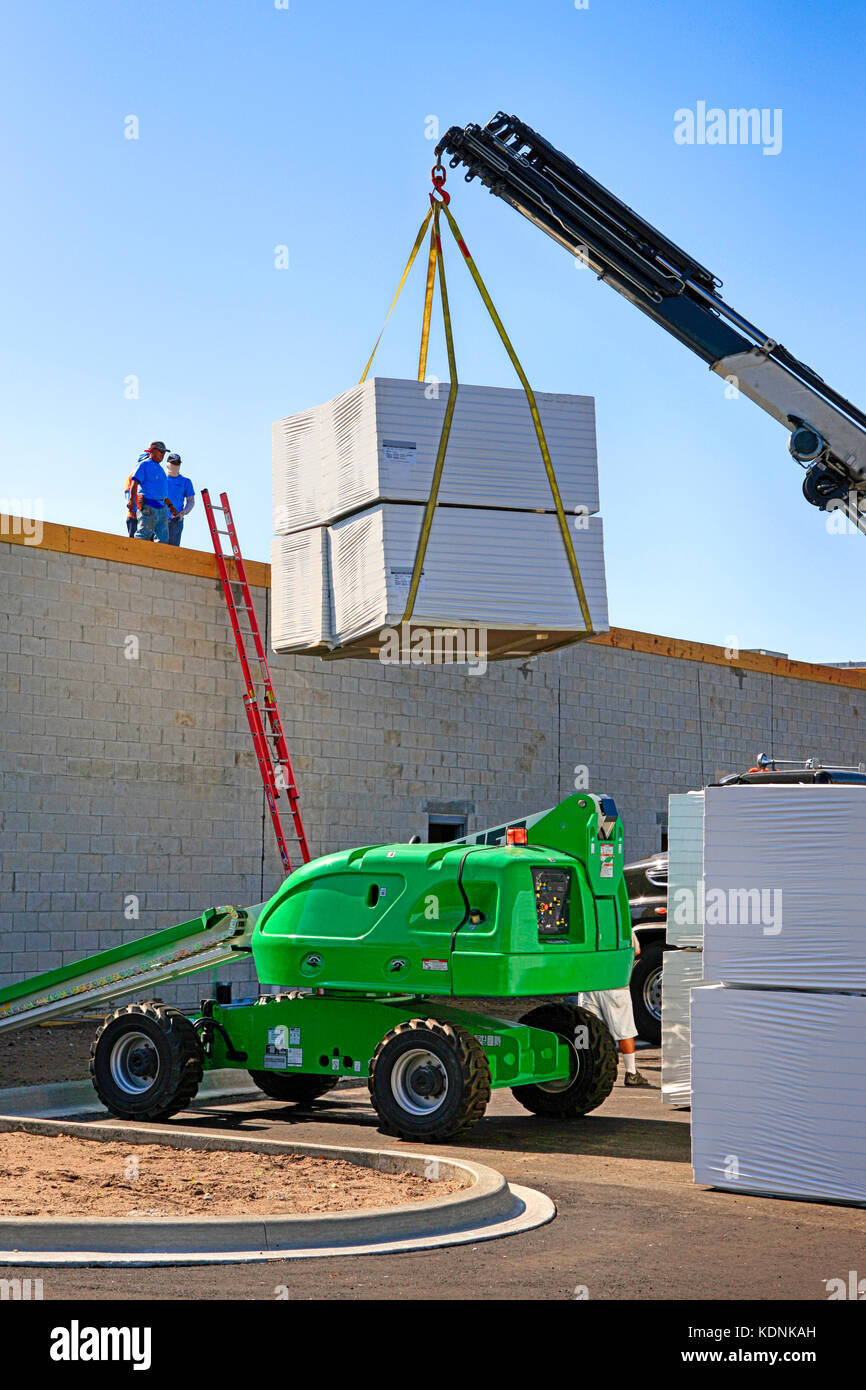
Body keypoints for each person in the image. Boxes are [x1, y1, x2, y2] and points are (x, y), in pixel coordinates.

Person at [570, 933, 658, 1088]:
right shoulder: (622, 926)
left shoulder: (588, 923)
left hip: (588, 985)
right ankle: (631, 1072)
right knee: (624, 1031)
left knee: (584, 1027)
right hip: (614, 984)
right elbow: (636, 951)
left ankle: (578, 1066)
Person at [129, 441, 170, 542]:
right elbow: (134, 483)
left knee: (163, 538)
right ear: (153, 450)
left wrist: (170, 506)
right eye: (161, 451)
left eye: (164, 452)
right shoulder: (144, 464)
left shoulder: (161, 469)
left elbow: (162, 491)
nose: (163, 454)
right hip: (148, 505)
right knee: (143, 533)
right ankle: (137, 554)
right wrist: (131, 500)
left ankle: (158, 557)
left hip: (161, 508)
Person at [163, 453, 195, 546]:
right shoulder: (161, 479)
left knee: (173, 549)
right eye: (173, 463)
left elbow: (191, 501)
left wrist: (183, 512)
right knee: (158, 547)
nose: (175, 465)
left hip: (176, 520)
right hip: (160, 518)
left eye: (178, 463)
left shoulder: (186, 481)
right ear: (167, 463)